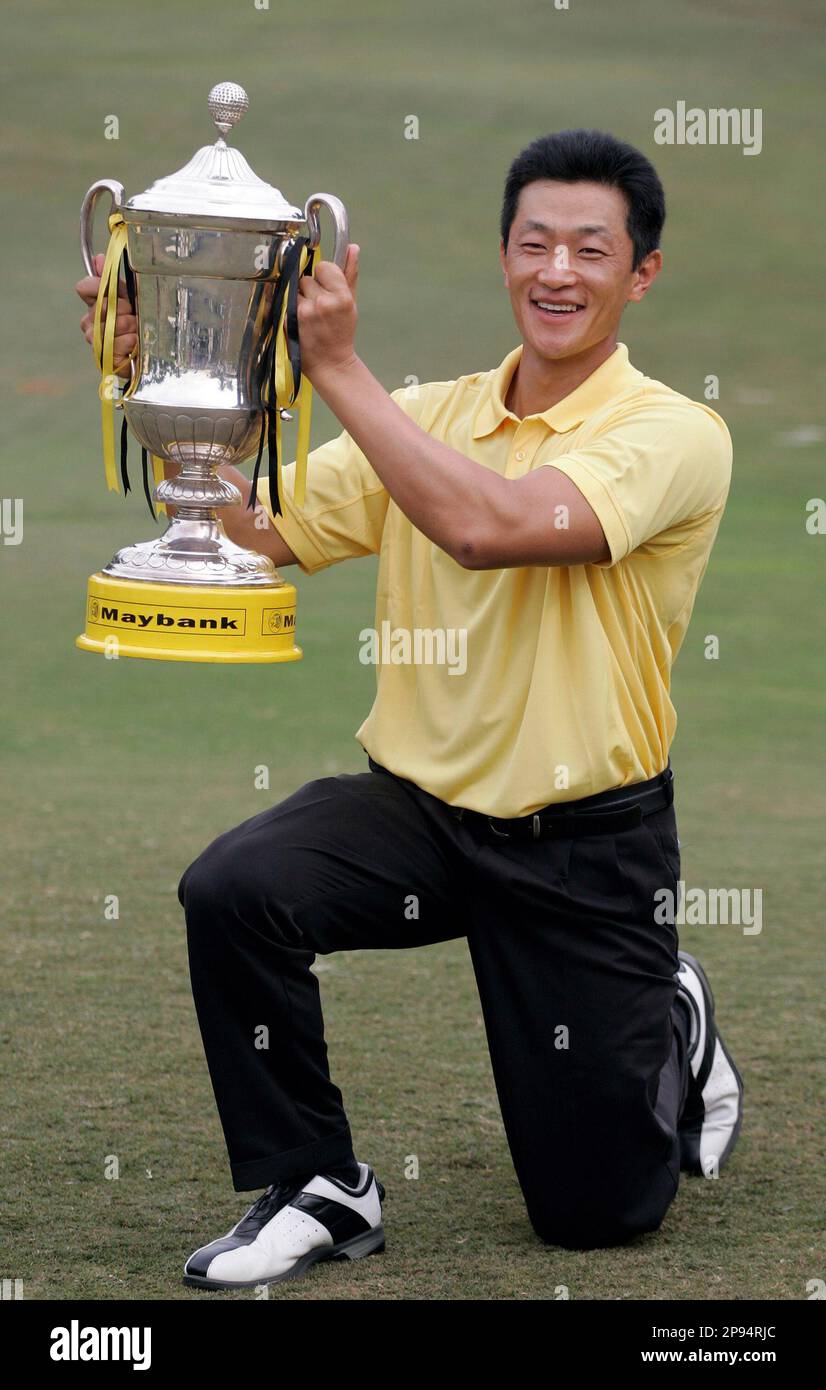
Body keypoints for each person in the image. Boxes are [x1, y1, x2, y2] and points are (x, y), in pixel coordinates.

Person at [76, 129, 744, 1292]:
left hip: (585, 846)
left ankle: (661, 1000)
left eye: (592, 249)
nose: (558, 271)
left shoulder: (675, 435)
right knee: (235, 888)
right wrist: (162, 368)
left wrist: (338, 370)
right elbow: (258, 528)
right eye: (534, 242)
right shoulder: (427, 414)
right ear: (502, 257)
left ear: (639, 275)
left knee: (596, 1218)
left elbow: (493, 529)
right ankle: (317, 1181)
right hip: (423, 819)